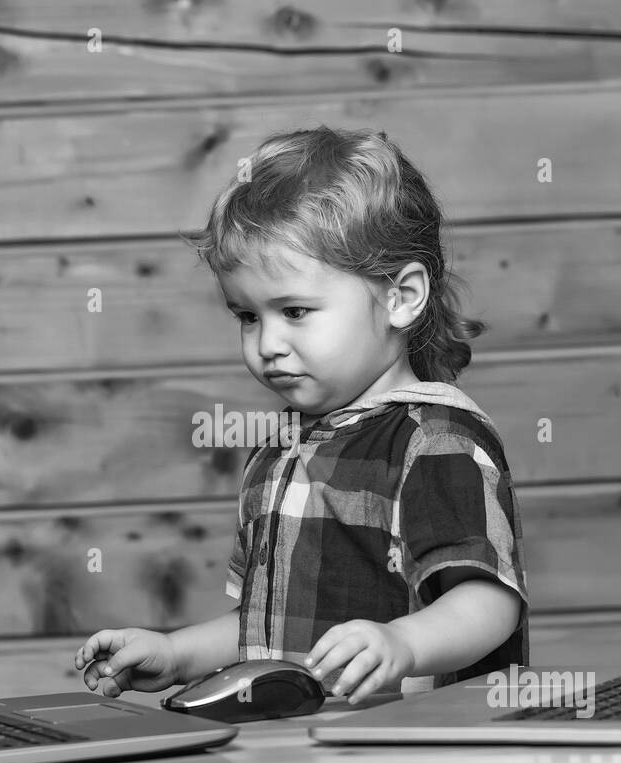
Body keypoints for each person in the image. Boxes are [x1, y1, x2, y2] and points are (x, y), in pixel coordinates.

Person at [75, 125, 530, 706]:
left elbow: (489, 603)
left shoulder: (434, 440)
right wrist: (177, 654)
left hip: (416, 756)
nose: (267, 343)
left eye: (294, 310)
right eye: (247, 316)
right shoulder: (280, 451)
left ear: (401, 297)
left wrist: (402, 643)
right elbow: (266, 628)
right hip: (300, 756)